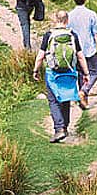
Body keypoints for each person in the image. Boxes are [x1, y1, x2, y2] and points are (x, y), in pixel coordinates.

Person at [34, 10, 90, 143]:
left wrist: (35, 70)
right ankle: (64, 126)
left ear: (56, 19)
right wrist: (86, 73)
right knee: (65, 98)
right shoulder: (72, 35)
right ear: (67, 20)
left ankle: (59, 129)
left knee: (53, 100)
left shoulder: (49, 35)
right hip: (70, 72)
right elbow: (80, 56)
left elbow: (41, 56)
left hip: (53, 73)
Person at [67, 0, 97, 106]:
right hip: (89, 48)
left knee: (81, 74)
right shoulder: (92, 14)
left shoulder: (69, 15)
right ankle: (84, 92)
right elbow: (96, 33)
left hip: (76, 49)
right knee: (94, 73)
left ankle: (83, 99)